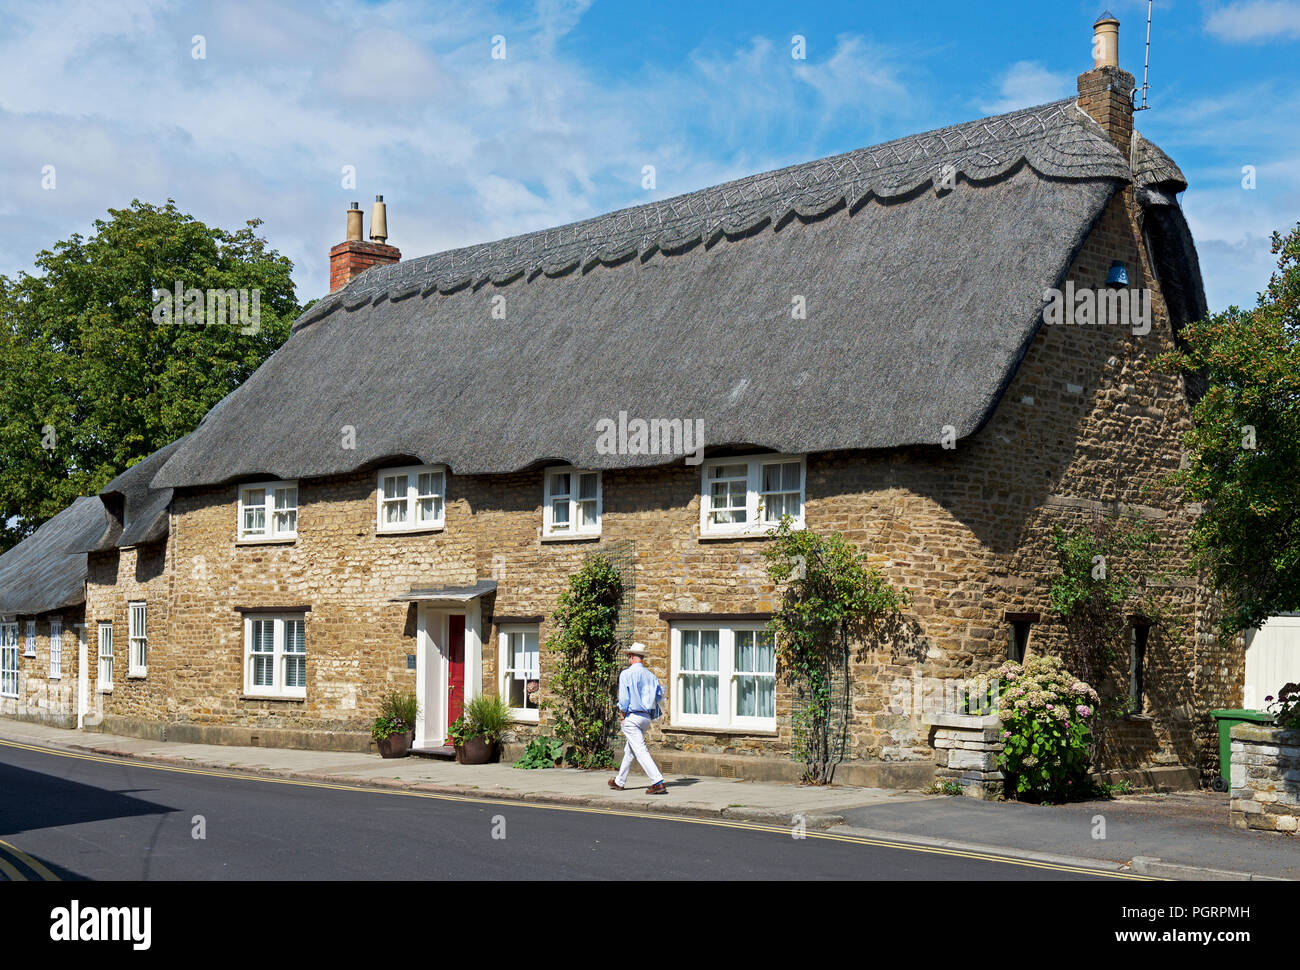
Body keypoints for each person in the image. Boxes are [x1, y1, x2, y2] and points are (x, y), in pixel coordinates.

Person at [609, 642, 668, 794]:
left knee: (640, 750)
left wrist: (622, 717)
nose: (628, 658)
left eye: (628, 655)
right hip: (646, 718)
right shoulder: (651, 676)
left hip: (632, 717)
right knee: (630, 750)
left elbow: (623, 700)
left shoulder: (626, 674)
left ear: (631, 657)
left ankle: (657, 781)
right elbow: (660, 696)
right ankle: (619, 781)